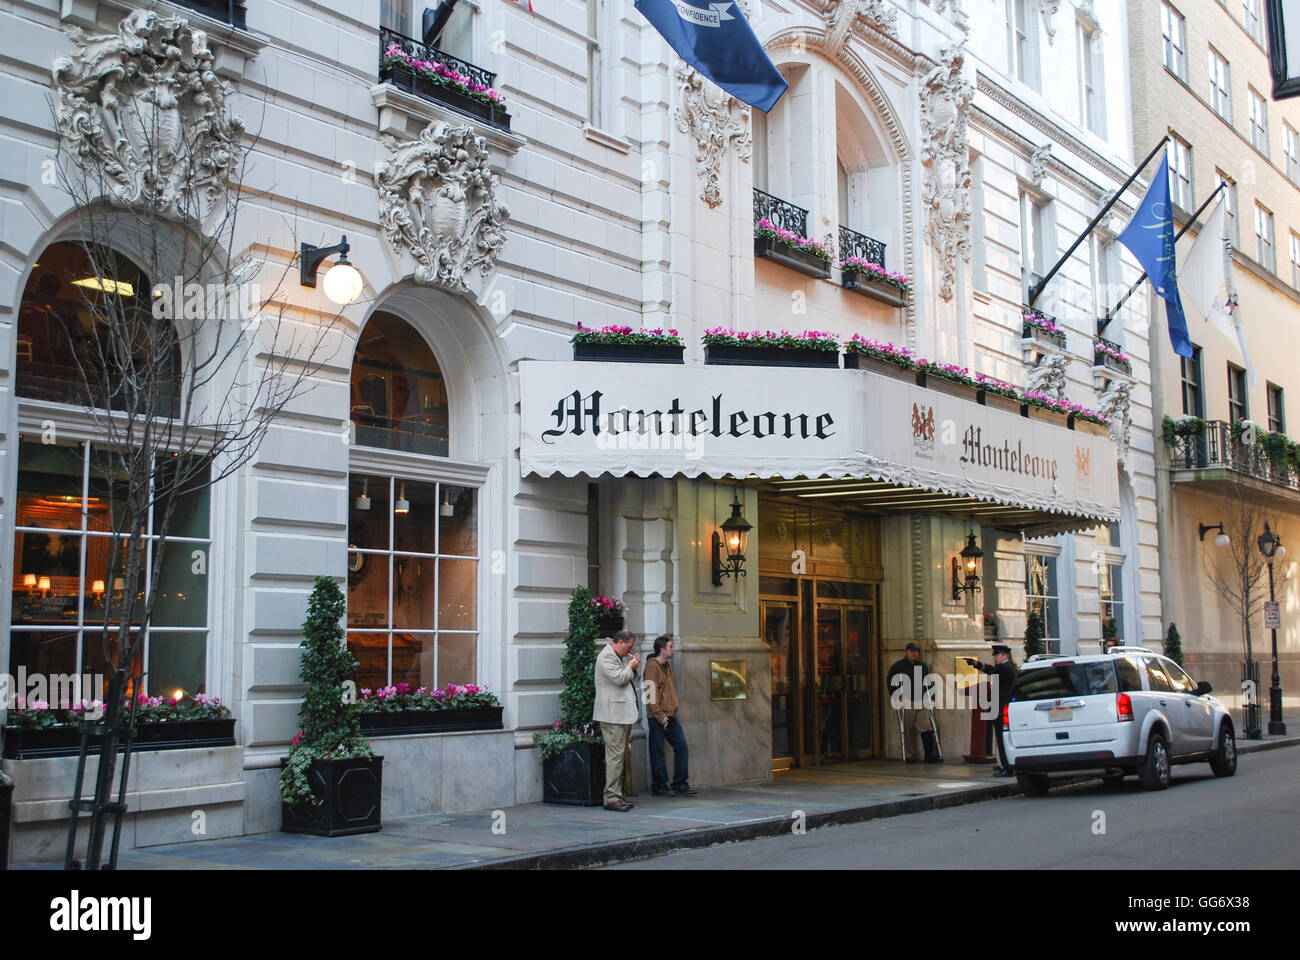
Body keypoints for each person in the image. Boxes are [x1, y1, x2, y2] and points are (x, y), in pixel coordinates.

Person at [593, 629, 641, 811]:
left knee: (618, 757)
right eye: (629, 646)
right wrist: (631, 666)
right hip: (612, 715)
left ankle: (616, 795)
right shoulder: (606, 656)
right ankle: (611, 797)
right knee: (614, 757)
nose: (629, 650)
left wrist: (630, 664)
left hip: (619, 714)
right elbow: (620, 679)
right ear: (620, 642)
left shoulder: (617, 657)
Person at [643, 635, 696, 797]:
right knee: (657, 750)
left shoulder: (666, 666)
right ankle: (659, 785)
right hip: (658, 717)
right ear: (662, 649)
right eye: (671, 647)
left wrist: (672, 709)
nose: (673, 649)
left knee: (681, 746)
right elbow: (650, 694)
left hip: (670, 715)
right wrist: (659, 715)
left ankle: (680, 782)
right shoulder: (652, 667)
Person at [966, 644, 1018, 777]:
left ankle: (1007, 767)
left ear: (1005, 656)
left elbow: (991, 670)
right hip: (1001, 708)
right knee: (1001, 740)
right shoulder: (1010, 668)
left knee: (1001, 740)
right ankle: (1005, 764)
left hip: (1000, 709)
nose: (995, 658)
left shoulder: (1004, 667)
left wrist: (976, 664)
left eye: (997, 655)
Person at [886, 642, 940, 763]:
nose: (914, 653)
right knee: (906, 728)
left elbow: (928, 682)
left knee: (926, 726)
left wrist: (931, 696)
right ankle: (908, 754)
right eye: (911, 651)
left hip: (921, 700)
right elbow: (890, 682)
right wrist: (896, 696)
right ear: (907, 651)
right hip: (906, 699)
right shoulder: (898, 666)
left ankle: (929, 754)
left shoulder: (922, 666)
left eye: (916, 651)